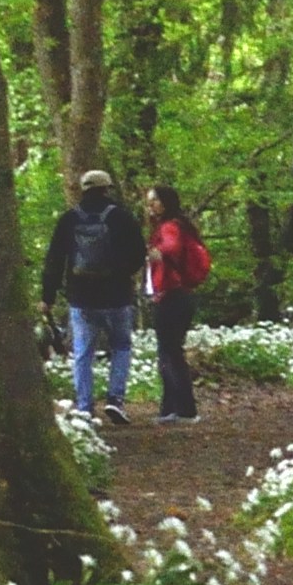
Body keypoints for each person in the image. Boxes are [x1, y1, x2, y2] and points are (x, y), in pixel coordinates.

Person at [43, 166, 144, 423]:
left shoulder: (69, 219)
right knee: (121, 346)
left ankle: (85, 407)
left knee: (83, 353)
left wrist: (48, 296)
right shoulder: (121, 217)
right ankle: (115, 400)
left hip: (81, 297)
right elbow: (139, 253)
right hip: (117, 295)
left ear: (83, 190)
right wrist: (124, 273)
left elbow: (54, 259)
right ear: (107, 188)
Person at [143, 186, 212, 422]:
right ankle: (172, 408)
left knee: (169, 352)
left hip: (171, 295)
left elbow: (171, 247)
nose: (150, 205)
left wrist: (156, 252)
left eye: (154, 201)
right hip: (181, 295)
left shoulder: (169, 227)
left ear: (166, 203)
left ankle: (183, 409)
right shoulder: (181, 225)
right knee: (170, 351)